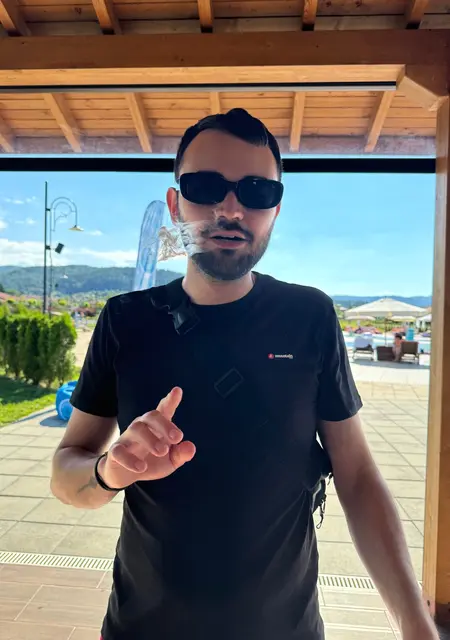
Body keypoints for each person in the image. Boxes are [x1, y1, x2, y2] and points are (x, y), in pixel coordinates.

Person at [50, 108, 438, 640]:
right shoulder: (126, 320)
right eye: (205, 187)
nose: (231, 208)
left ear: (275, 211)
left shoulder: (309, 317)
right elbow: (65, 476)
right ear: (175, 205)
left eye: (257, 192)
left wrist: (416, 624)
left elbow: (357, 478)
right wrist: (110, 471)